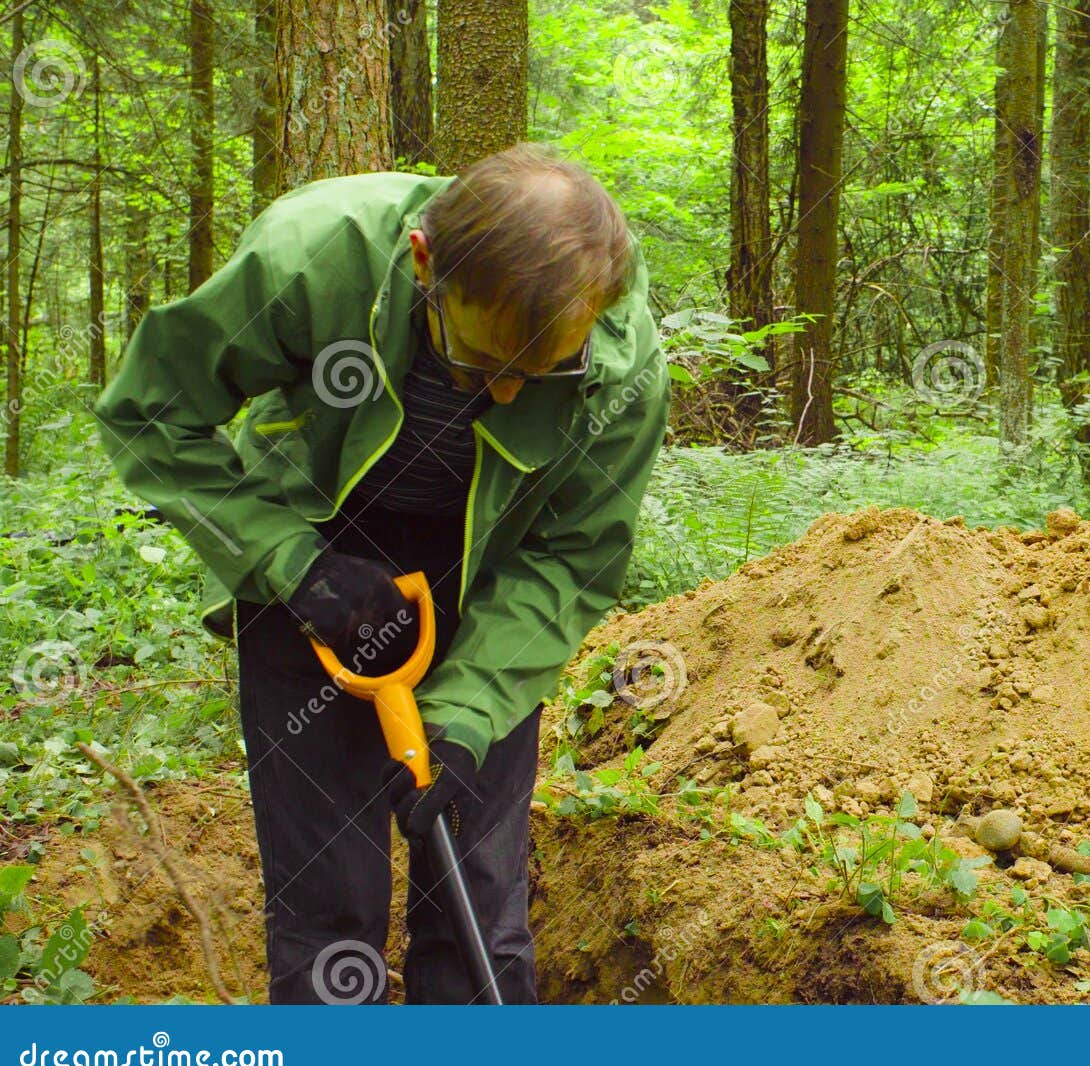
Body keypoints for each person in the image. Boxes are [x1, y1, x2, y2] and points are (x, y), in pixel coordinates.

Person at [93, 143, 670, 1004]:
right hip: (313, 570)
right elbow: (151, 415)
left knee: (479, 896)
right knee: (330, 905)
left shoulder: (621, 364)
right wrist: (296, 565)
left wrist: (469, 718)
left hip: (487, 594)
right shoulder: (313, 258)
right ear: (423, 260)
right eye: (482, 366)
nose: (507, 395)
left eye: (540, 372)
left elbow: (571, 552)